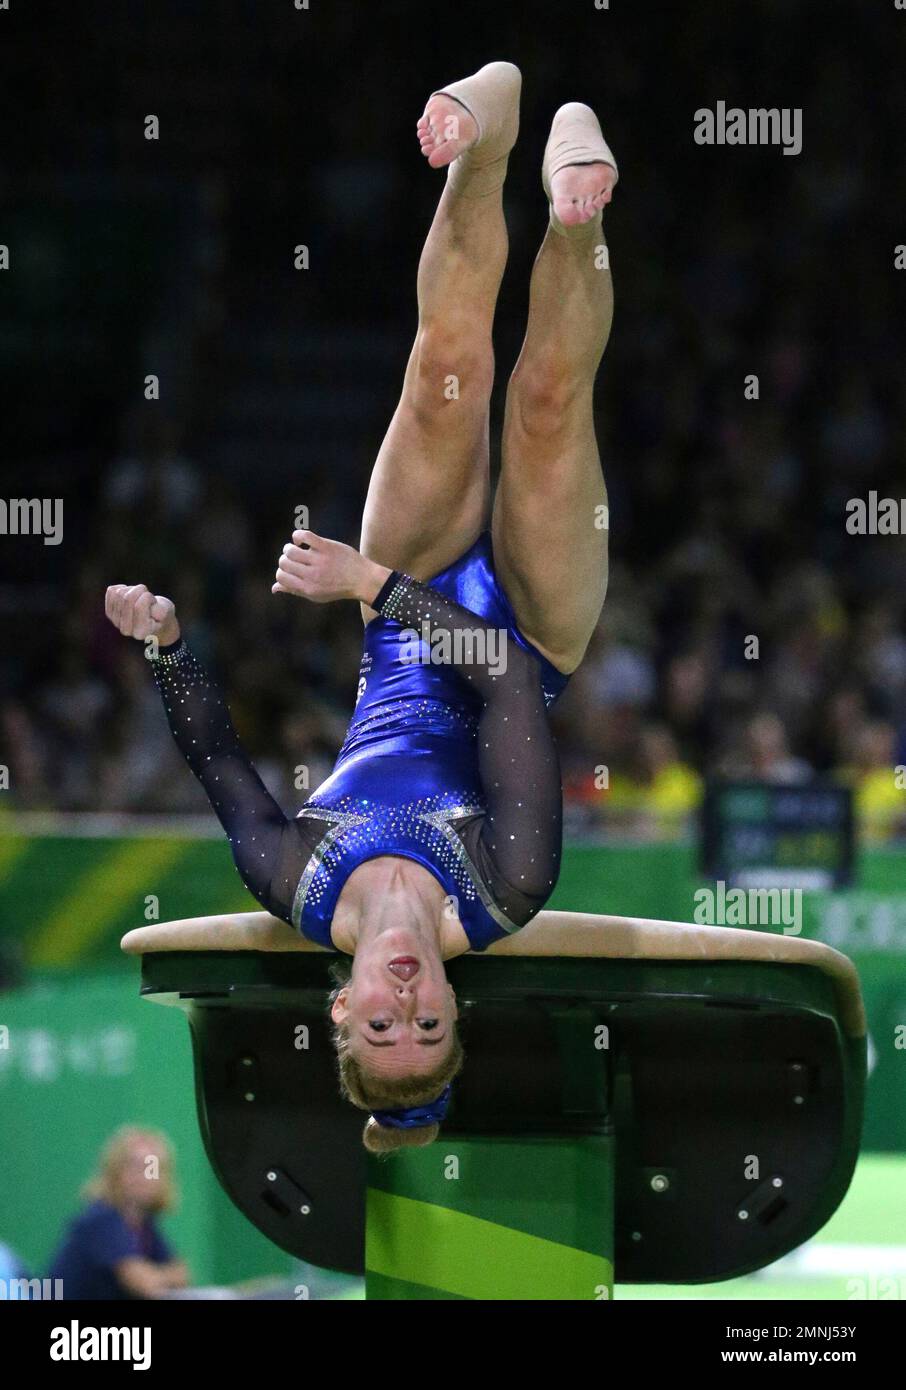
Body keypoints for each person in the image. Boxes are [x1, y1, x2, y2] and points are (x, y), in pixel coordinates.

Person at [107, 62, 618, 1150]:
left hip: (398, 620)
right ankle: (577, 222)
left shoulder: (294, 878)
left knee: (445, 370)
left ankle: (489, 142)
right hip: (523, 629)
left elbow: (214, 757)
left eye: (383, 1023)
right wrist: (373, 586)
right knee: (541, 404)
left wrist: (164, 646)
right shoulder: (505, 886)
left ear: (339, 1009)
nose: (406, 998)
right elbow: (506, 677)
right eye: (430, 1023)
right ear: (451, 1008)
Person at [48, 1126, 188, 1299]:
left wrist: (159, 1275)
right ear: (115, 1171)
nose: (143, 1176)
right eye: (134, 1165)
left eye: (152, 1167)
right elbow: (145, 1285)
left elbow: (182, 1275)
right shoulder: (101, 1219)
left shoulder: (146, 1226)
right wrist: (162, 1276)